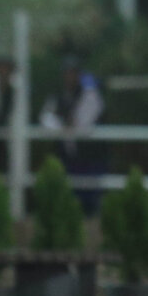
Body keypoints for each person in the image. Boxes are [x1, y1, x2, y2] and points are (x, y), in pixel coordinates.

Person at [40, 54, 106, 212]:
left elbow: (83, 123)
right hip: (67, 158)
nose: (70, 77)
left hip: (89, 158)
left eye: (73, 73)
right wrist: (62, 126)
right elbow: (46, 119)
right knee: (66, 198)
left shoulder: (90, 94)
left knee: (89, 200)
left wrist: (69, 124)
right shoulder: (57, 96)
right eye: (67, 73)